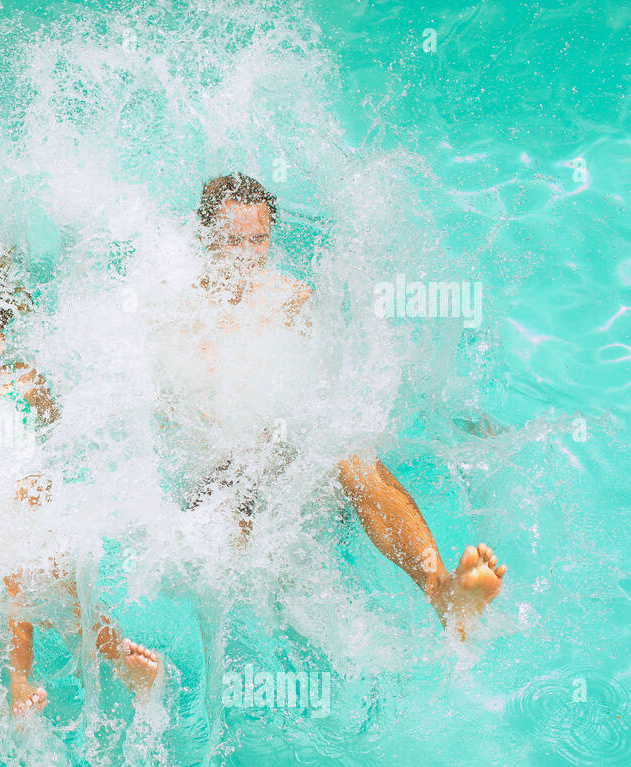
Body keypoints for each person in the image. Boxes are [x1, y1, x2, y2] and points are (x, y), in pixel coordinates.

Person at [177, 172, 506, 638]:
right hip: (219, 474)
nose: (249, 256)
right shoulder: (177, 310)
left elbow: (319, 387)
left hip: (284, 452)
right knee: (257, 561)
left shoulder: (289, 297)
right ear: (204, 236)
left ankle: (442, 591)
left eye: (260, 240)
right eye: (234, 242)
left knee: (350, 454)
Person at [0, 220, 162, 717]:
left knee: (55, 579)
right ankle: (41, 672)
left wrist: (38, 487)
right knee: (21, 570)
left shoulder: (24, 379)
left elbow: (54, 436)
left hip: (28, 510)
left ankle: (98, 658)